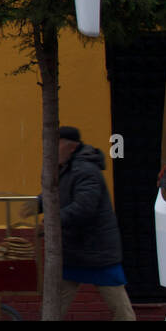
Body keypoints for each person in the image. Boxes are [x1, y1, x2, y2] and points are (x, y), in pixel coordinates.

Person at [46, 125, 136, 321]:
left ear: (71, 147)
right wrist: (38, 203)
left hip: (98, 252)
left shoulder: (86, 170)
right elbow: (56, 194)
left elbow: (84, 208)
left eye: (56, 145)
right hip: (75, 251)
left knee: (122, 310)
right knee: (54, 307)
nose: (51, 150)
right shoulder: (66, 169)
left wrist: (53, 221)